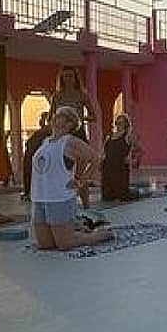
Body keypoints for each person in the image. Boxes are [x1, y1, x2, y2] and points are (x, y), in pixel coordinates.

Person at [31, 107, 113, 250]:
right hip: (40, 197)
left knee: (65, 244)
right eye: (56, 114)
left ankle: (100, 235)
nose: (55, 116)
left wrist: (81, 180)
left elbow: (95, 158)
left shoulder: (69, 141)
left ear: (69, 123)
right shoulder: (45, 141)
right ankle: (78, 228)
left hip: (58, 197)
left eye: (60, 115)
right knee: (45, 244)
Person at [50, 67, 97, 141]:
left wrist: (80, 118)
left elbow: (94, 117)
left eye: (70, 76)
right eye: (65, 76)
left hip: (77, 131)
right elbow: (50, 116)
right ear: (62, 78)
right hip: (61, 132)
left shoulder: (82, 95)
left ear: (75, 78)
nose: (68, 79)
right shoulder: (57, 96)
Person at [101, 113, 140, 201]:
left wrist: (131, 158)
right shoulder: (109, 136)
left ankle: (134, 192)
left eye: (121, 123)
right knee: (107, 196)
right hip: (108, 165)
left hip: (120, 165)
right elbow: (104, 150)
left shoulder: (128, 136)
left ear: (126, 124)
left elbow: (138, 150)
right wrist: (101, 159)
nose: (119, 125)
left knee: (122, 196)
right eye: (118, 123)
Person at [21, 112, 51, 201]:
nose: (40, 121)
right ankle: (29, 192)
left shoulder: (45, 133)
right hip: (33, 156)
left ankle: (30, 192)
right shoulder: (41, 133)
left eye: (42, 119)